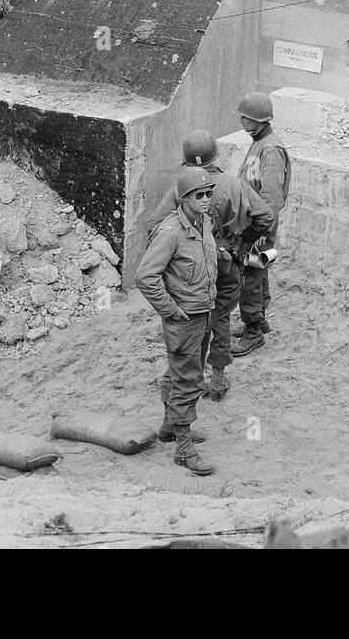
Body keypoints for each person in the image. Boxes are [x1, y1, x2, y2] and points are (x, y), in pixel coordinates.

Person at [148, 130, 274, 400]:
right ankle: (216, 380)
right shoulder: (235, 185)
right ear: (215, 156)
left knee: (192, 321)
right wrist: (242, 243)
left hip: (193, 269)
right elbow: (265, 217)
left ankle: (181, 378)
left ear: (187, 162)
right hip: (228, 264)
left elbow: (155, 226)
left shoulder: (182, 190)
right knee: (220, 319)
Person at [135, 166, 219, 476]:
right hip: (183, 318)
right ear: (183, 199)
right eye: (199, 195)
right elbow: (145, 276)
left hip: (203, 312)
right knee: (187, 381)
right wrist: (169, 309)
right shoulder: (171, 232)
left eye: (209, 193)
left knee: (179, 373)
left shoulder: (203, 224)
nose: (206, 199)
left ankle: (170, 427)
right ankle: (183, 449)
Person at [232, 91, 291, 357]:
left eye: (245, 118)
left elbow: (270, 196)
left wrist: (259, 231)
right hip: (252, 222)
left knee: (250, 278)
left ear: (257, 120)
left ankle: (253, 331)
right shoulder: (259, 142)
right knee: (257, 272)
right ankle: (258, 320)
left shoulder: (271, 150)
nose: (242, 122)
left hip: (258, 225)